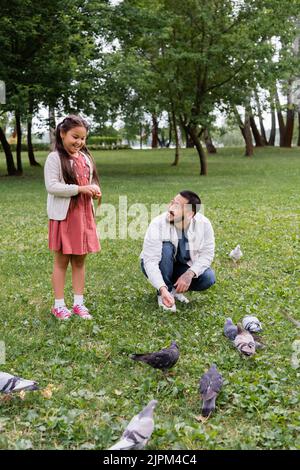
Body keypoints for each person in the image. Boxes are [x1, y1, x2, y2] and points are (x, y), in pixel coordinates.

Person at [44, 115, 101, 320]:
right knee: (61, 262)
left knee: (79, 262)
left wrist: (95, 189)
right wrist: (80, 189)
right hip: (65, 217)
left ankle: (78, 303)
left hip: (84, 216)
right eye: (75, 137)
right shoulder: (55, 158)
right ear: (62, 134)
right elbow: (52, 186)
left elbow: (91, 179)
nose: (79, 142)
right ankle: (59, 305)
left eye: (83, 138)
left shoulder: (85, 158)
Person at [140, 190, 215, 312]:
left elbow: (207, 255)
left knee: (208, 277)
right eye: (172, 203)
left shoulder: (204, 224)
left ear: (190, 214)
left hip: (181, 267)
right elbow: (150, 261)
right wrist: (162, 288)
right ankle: (165, 292)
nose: (171, 208)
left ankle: (175, 291)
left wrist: (189, 274)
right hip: (158, 264)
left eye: (177, 206)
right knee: (166, 247)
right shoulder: (157, 224)